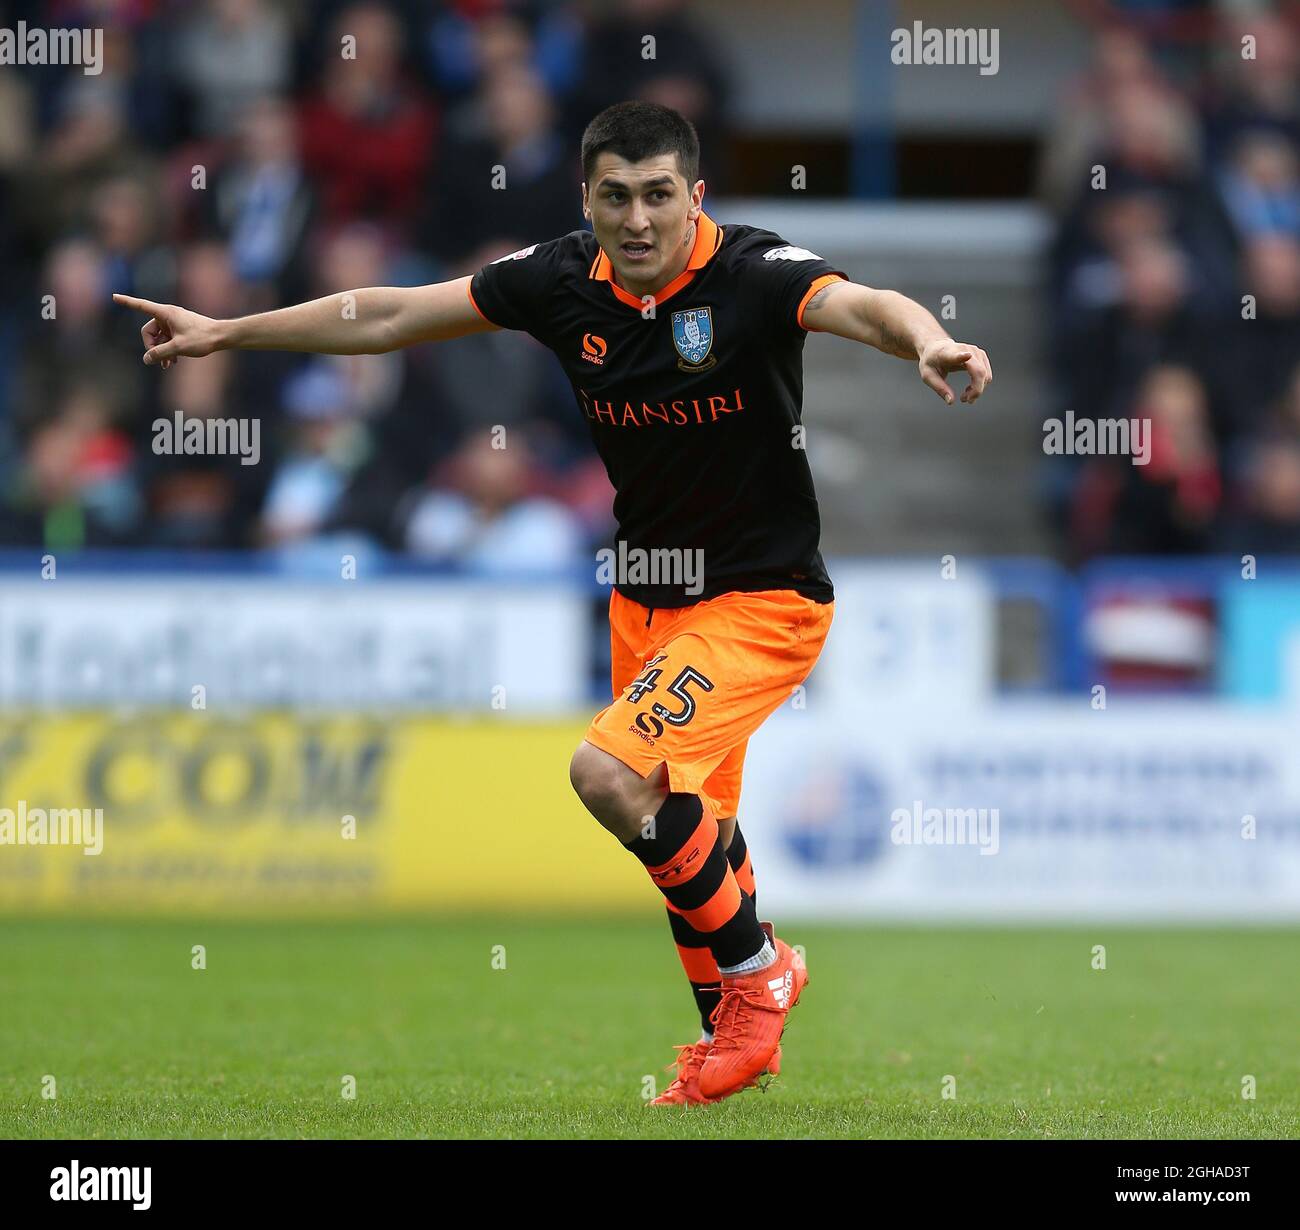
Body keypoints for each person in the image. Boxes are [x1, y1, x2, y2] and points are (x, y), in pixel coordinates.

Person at [113, 100, 992, 1106]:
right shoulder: (561, 280)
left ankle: (762, 981)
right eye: (615, 196)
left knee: (608, 778)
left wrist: (927, 341)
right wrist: (231, 330)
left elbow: (864, 304)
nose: (638, 219)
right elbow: (393, 313)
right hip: (646, 599)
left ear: (693, 196)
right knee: (684, 827)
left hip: (761, 598)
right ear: (587, 199)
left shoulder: (750, 273)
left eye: (659, 195)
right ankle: (729, 1045)